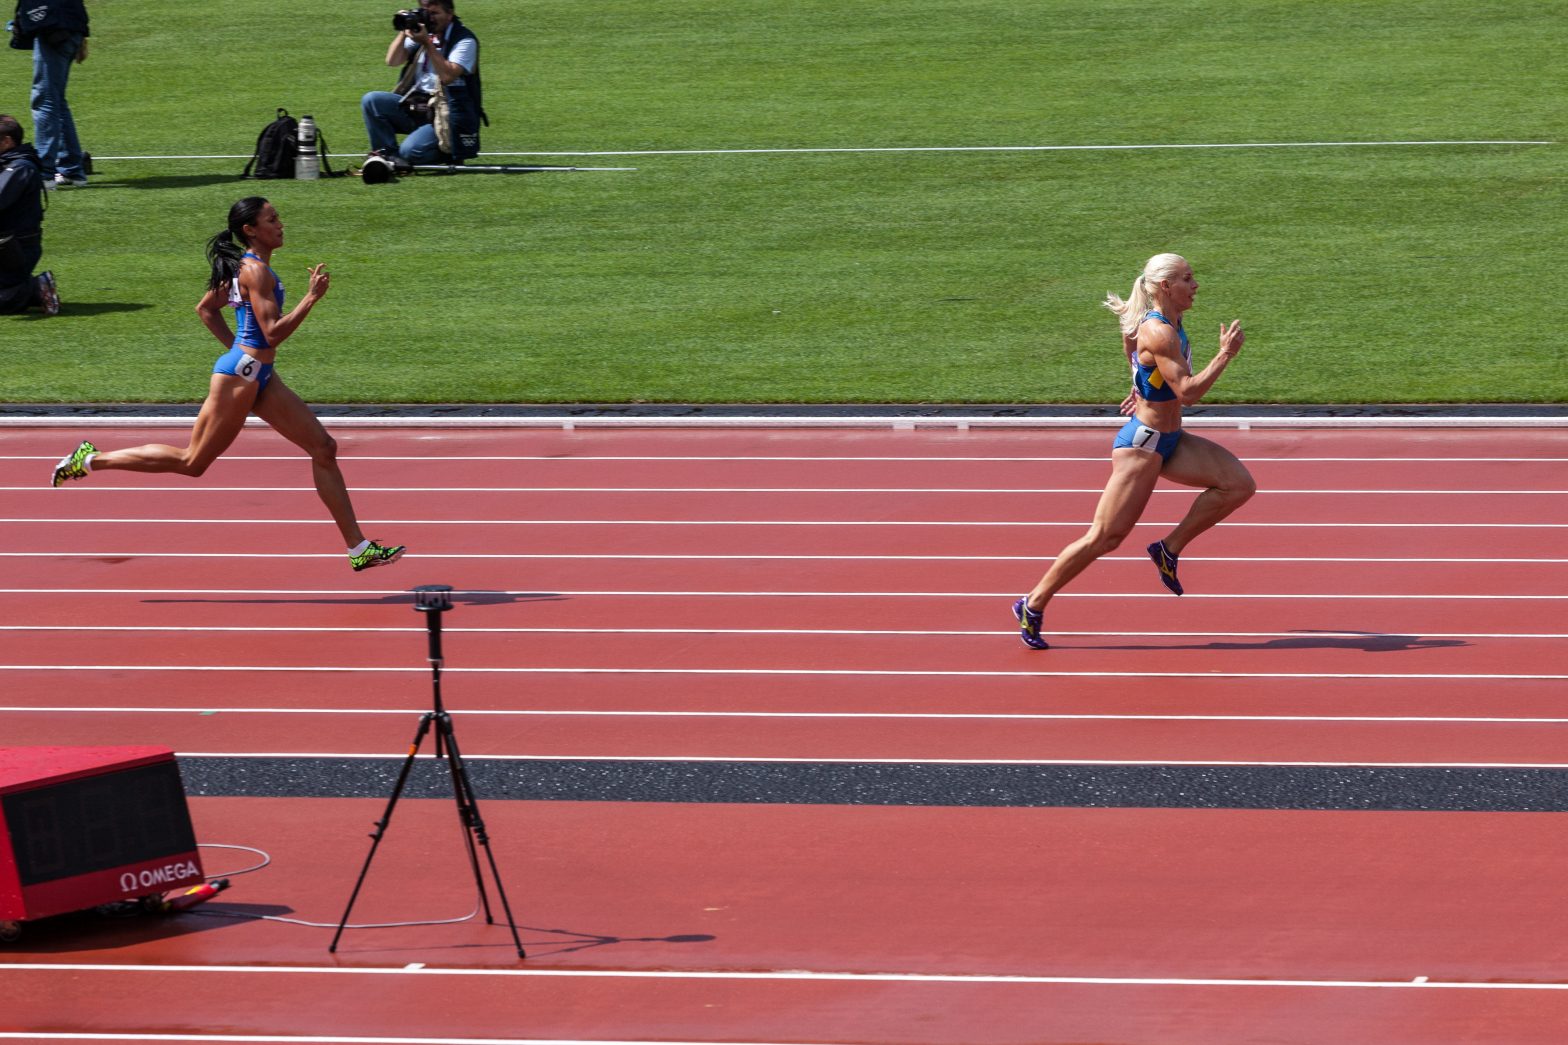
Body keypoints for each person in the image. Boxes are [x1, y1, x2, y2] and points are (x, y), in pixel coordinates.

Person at [49, 197, 405, 573]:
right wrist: (310, 299)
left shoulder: (247, 269)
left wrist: (244, 357)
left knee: (323, 447)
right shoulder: (255, 272)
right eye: (272, 219)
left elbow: (207, 309)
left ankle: (358, 548)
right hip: (242, 374)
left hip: (254, 373)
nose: (281, 224)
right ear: (250, 229)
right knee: (192, 462)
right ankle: (88, 460)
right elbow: (271, 333)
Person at [1012, 253, 1254, 649]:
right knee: (1105, 538)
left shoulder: (1170, 321)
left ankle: (1167, 549)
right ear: (1165, 287)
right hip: (1143, 446)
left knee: (1238, 485)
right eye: (1187, 279)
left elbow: (1129, 340)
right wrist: (1225, 355)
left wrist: (1138, 381)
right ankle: (1032, 603)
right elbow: (1189, 393)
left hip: (1171, 441)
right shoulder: (1160, 332)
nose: (1196, 285)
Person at [360, 0, 485, 165]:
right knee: (372, 101)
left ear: (450, 14)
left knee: (410, 151)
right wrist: (405, 29)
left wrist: (427, 43)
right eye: (426, 12)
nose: (429, 18)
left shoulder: (464, 40)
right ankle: (387, 156)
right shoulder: (424, 33)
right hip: (416, 106)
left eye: (434, 13)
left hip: (445, 113)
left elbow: (448, 76)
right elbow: (392, 60)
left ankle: (449, 151)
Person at [9, 0, 90, 187]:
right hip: (68, 27)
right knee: (56, 101)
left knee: (44, 101)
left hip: (53, 28)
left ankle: (45, 173)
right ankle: (72, 170)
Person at [0, 114, 57, 314]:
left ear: (7, 141)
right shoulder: (7, 163)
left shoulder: (19, 168)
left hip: (15, 249)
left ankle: (34, 289)